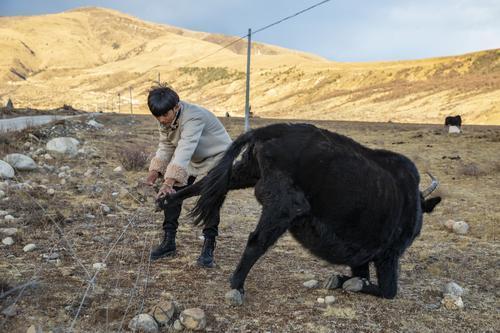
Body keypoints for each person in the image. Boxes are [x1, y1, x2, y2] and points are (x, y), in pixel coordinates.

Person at [145, 85, 232, 267]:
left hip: (219, 157)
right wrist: (155, 171)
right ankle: (169, 242)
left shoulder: (194, 116)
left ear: (176, 107)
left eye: (164, 115)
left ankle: (208, 247)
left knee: (211, 198)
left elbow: (185, 147)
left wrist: (168, 180)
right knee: (173, 195)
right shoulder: (164, 118)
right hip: (194, 159)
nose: (161, 120)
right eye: (157, 116)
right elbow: (167, 145)